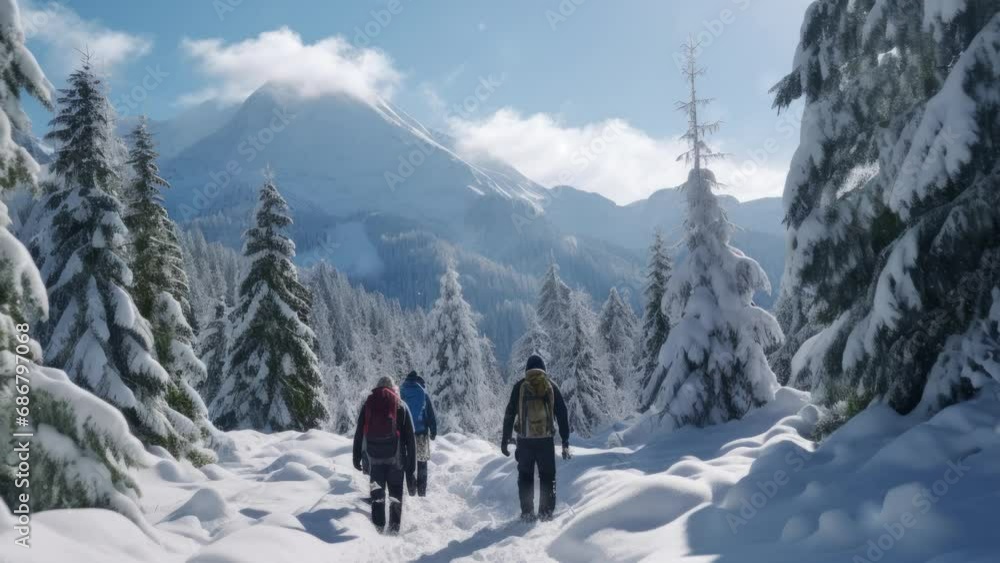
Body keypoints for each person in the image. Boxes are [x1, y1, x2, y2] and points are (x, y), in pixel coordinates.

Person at [501, 355, 571, 522]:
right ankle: (546, 514)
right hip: (545, 441)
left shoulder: (519, 387)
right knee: (548, 477)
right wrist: (565, 440)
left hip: (524, 441)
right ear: (544, 369)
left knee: (525, 476)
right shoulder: (551, 386)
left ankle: (527, 513)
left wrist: (505, 439)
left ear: (527, 369)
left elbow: (509, 414)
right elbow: (562, 413)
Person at [353, 376, 417, 534]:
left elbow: (359, 432)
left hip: (374, 459)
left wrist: (356, 457)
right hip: (396, 460)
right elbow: (411, 438)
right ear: (393, 388)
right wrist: (411, 468)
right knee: (395, 494)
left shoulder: (368, 404)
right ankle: (394, 530)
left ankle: (378, 530)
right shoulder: (401, 405)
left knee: (377, 495)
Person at [399, 370, 437, 497]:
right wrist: (433, 430)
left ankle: (411, 490)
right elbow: (430, 413)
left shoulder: (401, 390)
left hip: (406, 433)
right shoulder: (423, 392)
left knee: (409, 461)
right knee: (422, 461)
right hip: (421, 432)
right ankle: (421, 491)